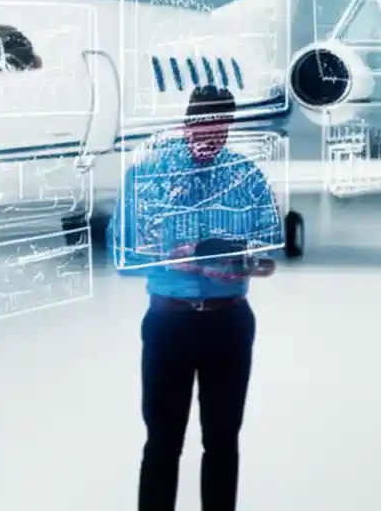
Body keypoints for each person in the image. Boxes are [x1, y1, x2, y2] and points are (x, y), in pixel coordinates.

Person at [109, 85, 282, 511]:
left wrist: (236, 263)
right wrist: (178, 259)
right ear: (186, 124)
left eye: (222, 130)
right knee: (163, 441)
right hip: (170, 324)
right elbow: (122, 255)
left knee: (223, 440)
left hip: (229, 322)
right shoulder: (147, 178)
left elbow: (270, 254)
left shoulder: (246, 176)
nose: (211, 138)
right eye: (204, 127)